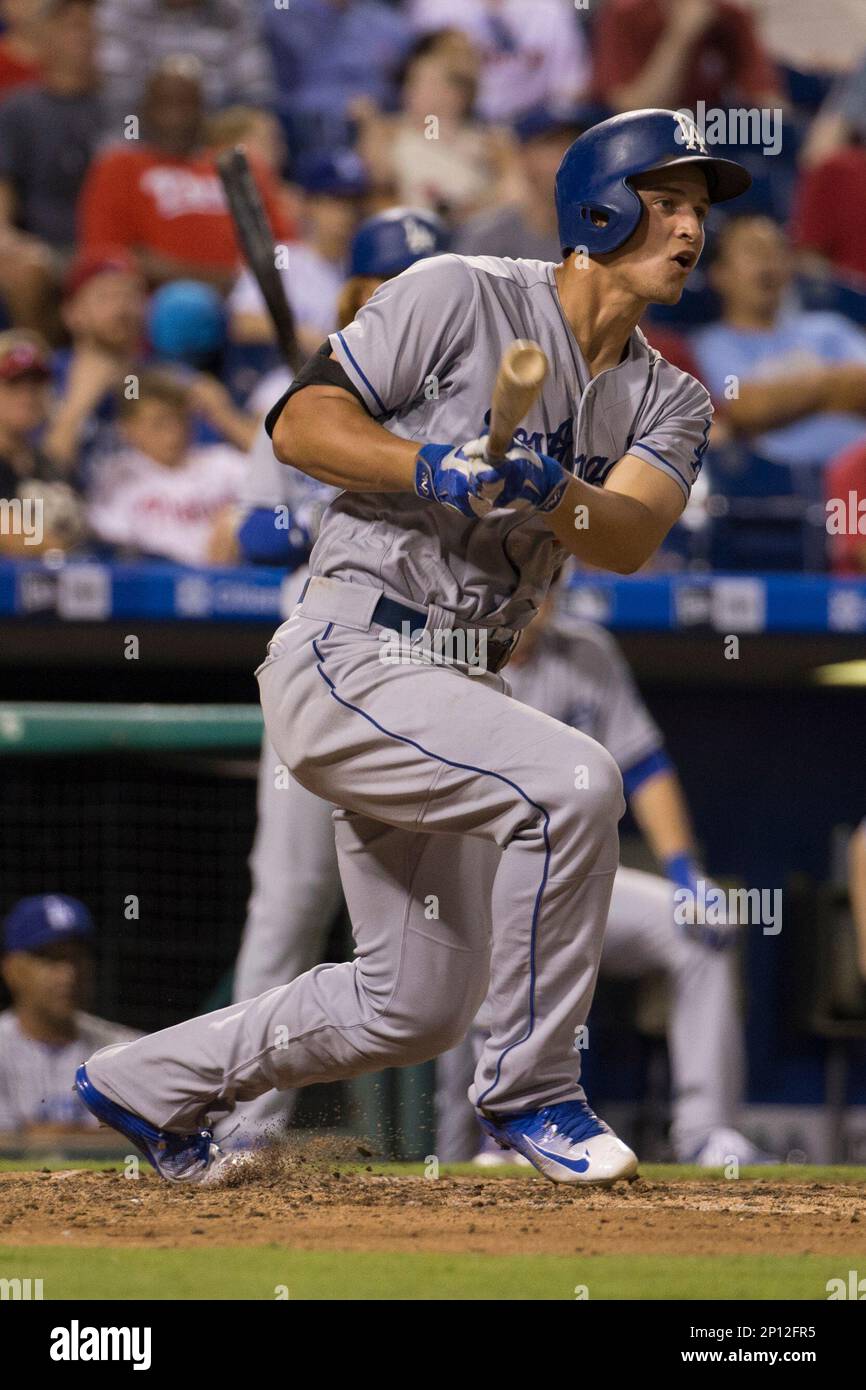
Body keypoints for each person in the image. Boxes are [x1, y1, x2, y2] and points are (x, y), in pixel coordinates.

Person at [74, 109, 751, 1187]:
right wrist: (428, 464)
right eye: (664, 202)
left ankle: (145, 1081)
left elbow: (621, 537)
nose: (687, 230)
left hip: (453, 685)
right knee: (573, 784)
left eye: (696, 212)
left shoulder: (668, 397)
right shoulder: (455, 291)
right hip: (355, 650)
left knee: (413, 1001)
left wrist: (547, 488)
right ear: (599, 206)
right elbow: (300, 425)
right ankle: (533, 1089)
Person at [435, 595, 765, 1168]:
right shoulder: (448, 656)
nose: (537, 595)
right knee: (488, 968)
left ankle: (707, 1133)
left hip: (575, 888)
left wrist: (685, 872)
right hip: (482, 897)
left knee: (700, 928)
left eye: (551, 576)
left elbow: (643, 765)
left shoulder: (587, 652)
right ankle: (491, 1142)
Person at [78, 57, 293, 293]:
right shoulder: (120, 166)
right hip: (155, 304)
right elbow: (106, 261)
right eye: (165, 105)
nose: (175, 118)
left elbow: (286, 253)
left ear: (203, 112)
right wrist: (227, 280)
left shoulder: (238, 166)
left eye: (186, 106)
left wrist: (161, 267)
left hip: (247, 304)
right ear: (145, 111)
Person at [691, 215, 866, 470]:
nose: (768, 259)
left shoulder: (830, 329)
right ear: (720, 274)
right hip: (773, 478)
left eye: (777, 250)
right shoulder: (712, 345)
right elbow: (741, 404)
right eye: (753, 250)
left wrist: (782, 402)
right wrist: (833, 387)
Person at [0, 0, 105, 331]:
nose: (80, 36)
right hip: (42, 246)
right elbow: (3, 185)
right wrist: (5, 235)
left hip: (107, 247)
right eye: (69, 26)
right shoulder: (19, 109)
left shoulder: (118, 108)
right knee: (24, 267)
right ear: (45, 36)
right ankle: (35, 361)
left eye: (86, 25)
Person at [0, 895, 139, 1136]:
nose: (69, 973)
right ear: (11, 969)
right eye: (50, 958)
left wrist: (43, 1136)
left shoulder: (126, 1048)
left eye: (78, 957)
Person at [86, 369, 245, 565]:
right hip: (150, 584)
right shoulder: (118, 474)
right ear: (128, 428)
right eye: (159, 423)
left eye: (180, 419)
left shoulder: (222, 462)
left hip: (221, 583)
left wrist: (237, 519)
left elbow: (276, 484)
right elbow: (113, 547)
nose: (174, 432)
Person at [353, 33, 516, 223]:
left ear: (455, 95)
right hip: (414, 230)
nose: (409, 91)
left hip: (474, 230)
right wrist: (370, 125)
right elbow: (377, 179)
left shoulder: (490, 140)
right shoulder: (389, 131)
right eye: (409, 82)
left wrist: (476, 207)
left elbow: (514, 194)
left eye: (421, 83)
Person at [229, 150, 369, 358]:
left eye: (352, 202)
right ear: (308, 204)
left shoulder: (365, 266)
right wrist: (306, 337)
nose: (346, 213)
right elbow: (243, 322)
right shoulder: (283, 257)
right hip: (283, 374)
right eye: (334, 201)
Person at [43, 250, 147, 482]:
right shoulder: (40, 376)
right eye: (106, 297)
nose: (121, 309)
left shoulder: (153, 379)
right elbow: (38, 478)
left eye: (130, 296)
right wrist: (78, 403)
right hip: (72, 508)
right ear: (72, 314)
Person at [96, 0, 275, 133]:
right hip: (140, 140)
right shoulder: (122, 9)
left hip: (212, 144)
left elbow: (255, 97)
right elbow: (118, 98)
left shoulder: (234, 12)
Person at [408, 0, 590, 124]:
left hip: (533, 127)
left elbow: (570, 89)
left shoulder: (550, 10)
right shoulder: (437, 8)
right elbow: (423, 80)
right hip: (462, 122)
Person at [591, 0, 781, 115]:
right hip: (644, 148)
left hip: (713, 142)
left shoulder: (730, 16)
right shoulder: (625, 14)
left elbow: (769, 104)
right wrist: (680, 37)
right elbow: (631, 110)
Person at [0, 330, 85, 555]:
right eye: (13, 383)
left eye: (37, 383)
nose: (27, 394)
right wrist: (55, 546)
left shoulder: (50, 465)